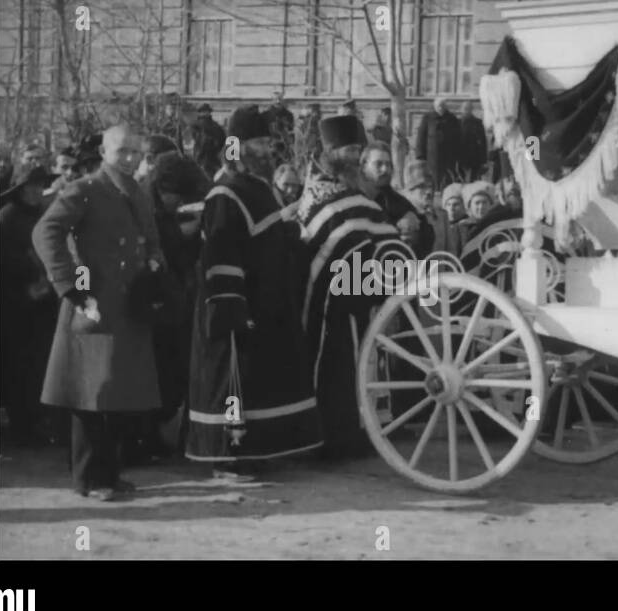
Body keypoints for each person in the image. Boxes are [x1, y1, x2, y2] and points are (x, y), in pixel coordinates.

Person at [32, 124, 165, 502]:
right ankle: (88, 478)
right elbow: (46, 231)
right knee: (90, 394)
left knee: (117, 395)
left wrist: (156, 262)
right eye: (122, 151)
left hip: (128, 308)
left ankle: (109, 472)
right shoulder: (86, 190)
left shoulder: (136, 191)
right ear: (105, 152)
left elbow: (150, 238)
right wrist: (68, 283)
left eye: (136, 152)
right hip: (93, 305)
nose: (129, 158)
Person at [186, 105, 322, 473]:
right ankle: (227, 456)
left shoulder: (260, 188)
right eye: (259, 143)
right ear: (239, 146)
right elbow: (220, 250)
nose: (266, 149)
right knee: (233, 385)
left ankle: (258, 451)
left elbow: (271, 239)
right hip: (237, 305)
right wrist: (231, 304)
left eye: (266, 142)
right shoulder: (224, 193)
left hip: (269, 304)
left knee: (262, 383)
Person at [297, 114, 398, 460]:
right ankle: (325, 436)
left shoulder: (358, 193)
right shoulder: (315, 194)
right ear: (331, 151)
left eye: (359, 148)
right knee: (331, 365)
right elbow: (320, 240)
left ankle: (359, 428)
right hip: (325, 300)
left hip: (360, 296)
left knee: (361, 362)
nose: (356, 155)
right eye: (350, 149)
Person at [141, 152, 212, 461]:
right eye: (177, 196)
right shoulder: (148, 214)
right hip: (155, 307)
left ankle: (152, 434)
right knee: (158, 377)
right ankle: (146, 436)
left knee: (170, 376)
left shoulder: (164, 213)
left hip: (173, 305)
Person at [0, 167, 59, 449]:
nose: (36, 191)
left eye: (40, 186)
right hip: (15, 304)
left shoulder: (42, 215)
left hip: (42, 304)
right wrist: (28, 279)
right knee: (17, 367)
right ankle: (21, 424)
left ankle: (35, 419)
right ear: (19, 189)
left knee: (37, 365)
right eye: (30, 187)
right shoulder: (6, 218)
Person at [415, 97, 461, 189]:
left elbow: (458, 137)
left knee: (448, 175)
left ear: (446, 106)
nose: (441, 108)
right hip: (432, 154)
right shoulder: (428, 118)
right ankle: (434, 190)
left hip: (448, 154)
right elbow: (421, 136)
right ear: (435, 106)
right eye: (439, 106)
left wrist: (458, 155)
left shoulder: (452, 118)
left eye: (443, 106)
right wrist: (420, 154)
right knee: (433, 175)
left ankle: (447, 190)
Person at [400, 160, 439, 259]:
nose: (429, 192)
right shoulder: (402, 218)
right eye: (422, 187)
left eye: (430, 186)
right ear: (409, 190)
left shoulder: (432, 217)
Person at [191, 104, 228, 180]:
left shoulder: (194, 126)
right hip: (213, 161)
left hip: (199, 160)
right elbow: (222, 143)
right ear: (209, 113)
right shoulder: (217, 127)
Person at [264, 90, 295, 166]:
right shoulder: (265, 115)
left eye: (280, 99)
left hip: (285, 148)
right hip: (270, 147)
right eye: (275, 99)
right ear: (272, 100)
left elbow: (291, 131)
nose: (278, 102)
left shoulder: (289, 115)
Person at [459, 100, 488, 180]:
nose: (466, 111)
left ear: (472, 110)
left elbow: (483, 142)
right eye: (465, 108)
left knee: (473, 182)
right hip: (460, 158)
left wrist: (484, 160)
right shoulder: (456, 123)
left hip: (474, 158)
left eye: (469, 108)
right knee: (460, 181)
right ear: (461, 109)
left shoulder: (477, 123)